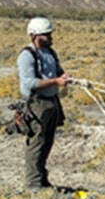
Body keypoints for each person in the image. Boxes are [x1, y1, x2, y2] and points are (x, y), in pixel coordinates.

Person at [17, 16, 70, 189]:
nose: (50, 37)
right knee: (37, 143)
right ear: (34, 36)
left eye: (50, 33)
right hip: (36, 104)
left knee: (47, 141)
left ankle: (42, 180)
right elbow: (29, 83)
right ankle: (34, 184)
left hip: (52, 102)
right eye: (46, 34)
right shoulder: (27, 55)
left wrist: (64, 77)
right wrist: (56, 81)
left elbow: (58, 71)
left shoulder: (50, 53)